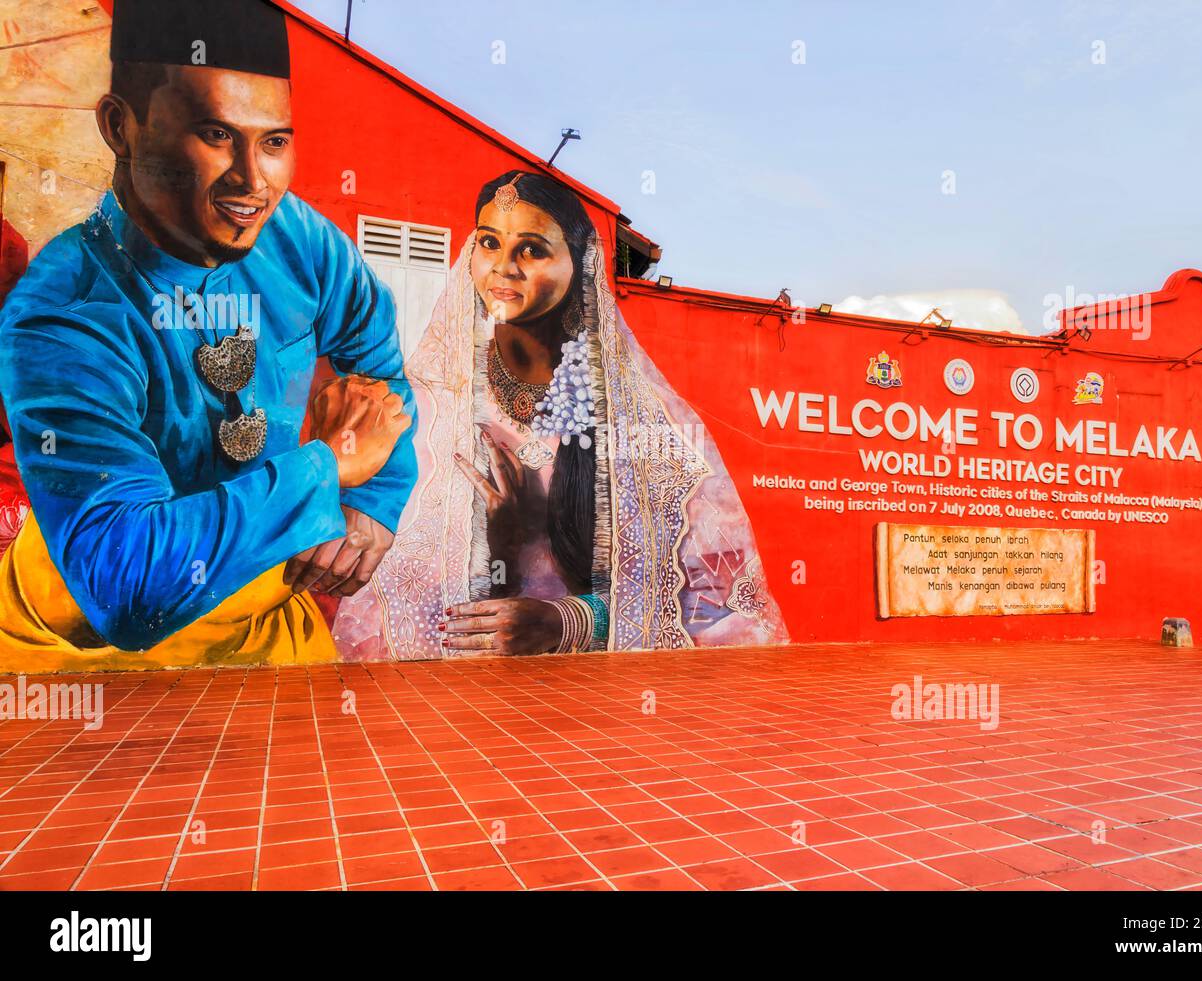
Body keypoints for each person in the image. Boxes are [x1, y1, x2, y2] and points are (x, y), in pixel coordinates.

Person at [0, 0, 416, 669]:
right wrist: (329, 467)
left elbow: (379, 366)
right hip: (94, 657)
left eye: (274, 142)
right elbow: (125, 582)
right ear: (120, 127)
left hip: (270, 626)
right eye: (216, 134)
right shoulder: (66, 311)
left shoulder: (296, 238)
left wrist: (374, 497)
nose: (252, 181)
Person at [332, 171, 786, 659]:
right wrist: (499, 549)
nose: (503, 268)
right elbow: (370, 600)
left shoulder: (645, 425)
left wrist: (569, 621)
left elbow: (717, 613)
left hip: (592, 698)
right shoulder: (422, 411)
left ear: (580, 264)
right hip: (443, 698)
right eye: (489, 242)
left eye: (531, 250)